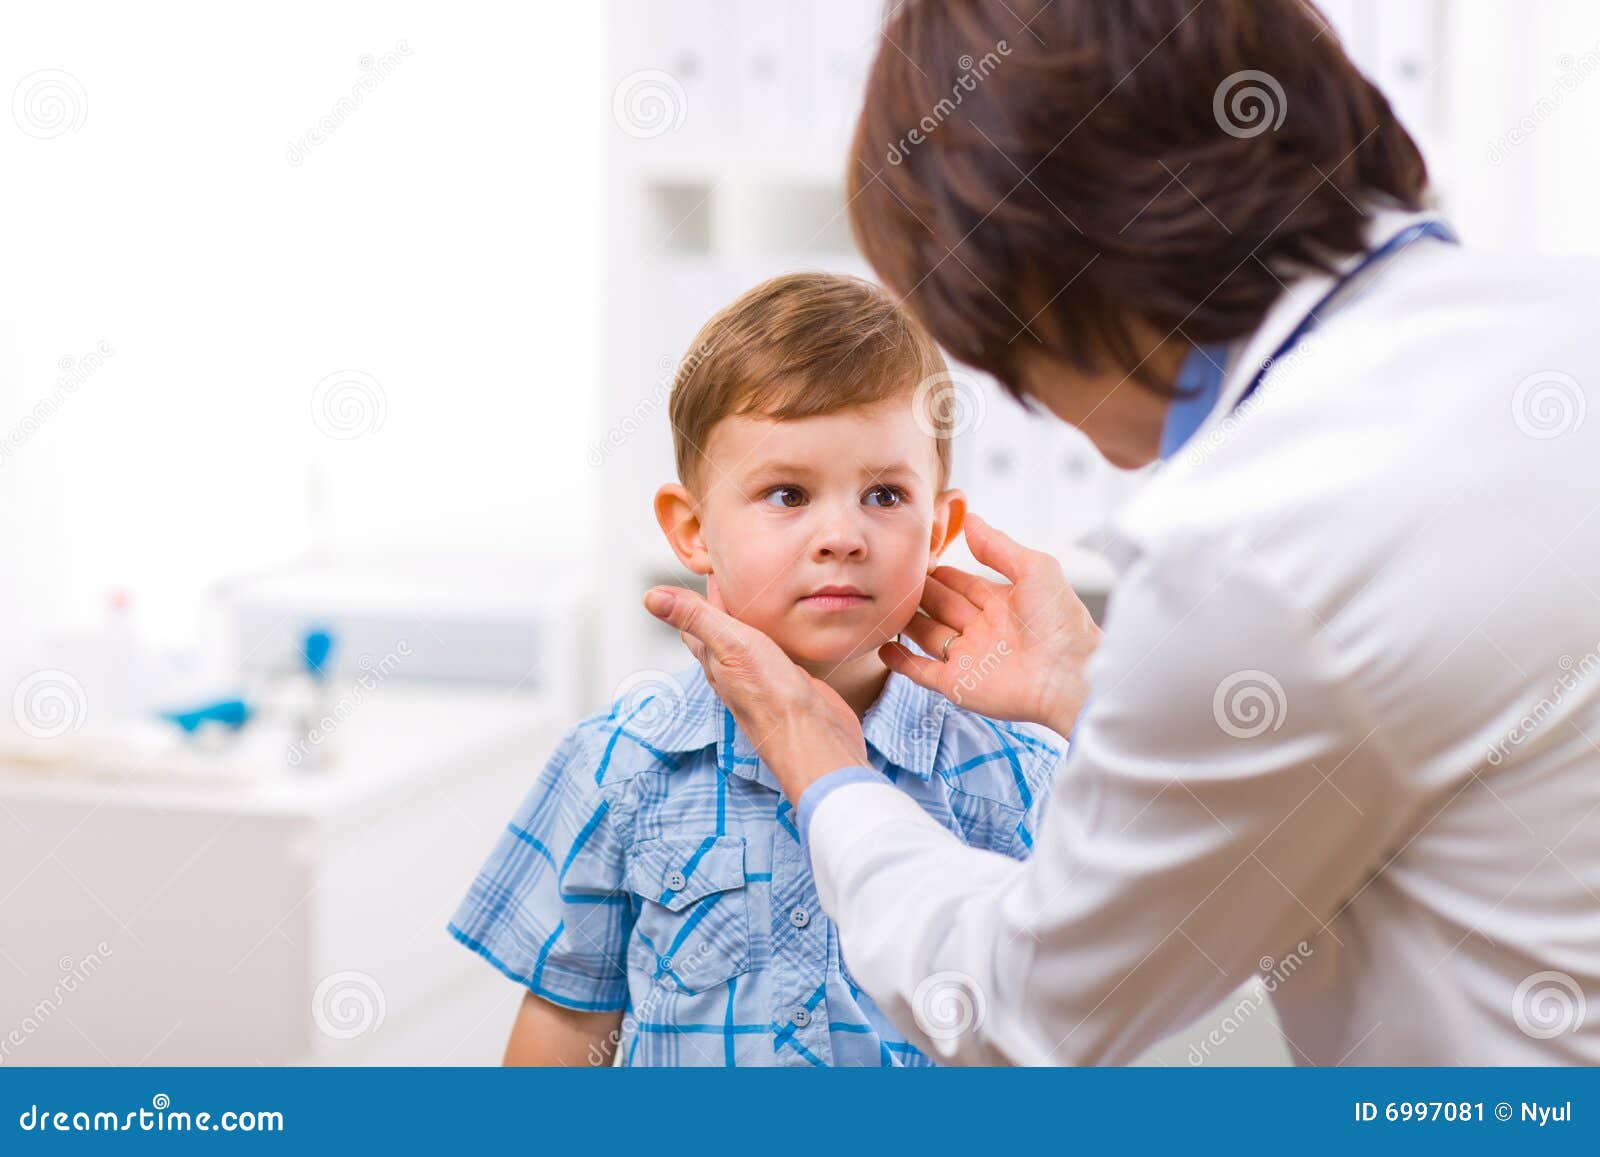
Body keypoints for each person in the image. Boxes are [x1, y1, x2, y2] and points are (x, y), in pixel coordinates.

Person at [647, 0, 1600, 1065]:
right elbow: (1385, 716)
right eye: (785, 493)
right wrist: (1093, 690)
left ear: (1036, 287)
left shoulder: (1257, 543)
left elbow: (1023, 1011)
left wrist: (825, 774)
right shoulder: (1559, 324)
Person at [449, 272, 1065, 1066]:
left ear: (940, 524)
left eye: (884, 494)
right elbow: (568, 1028)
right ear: (694, 529)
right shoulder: (619, 764)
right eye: (786, 493)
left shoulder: (1011, 777)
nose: (841, 534)